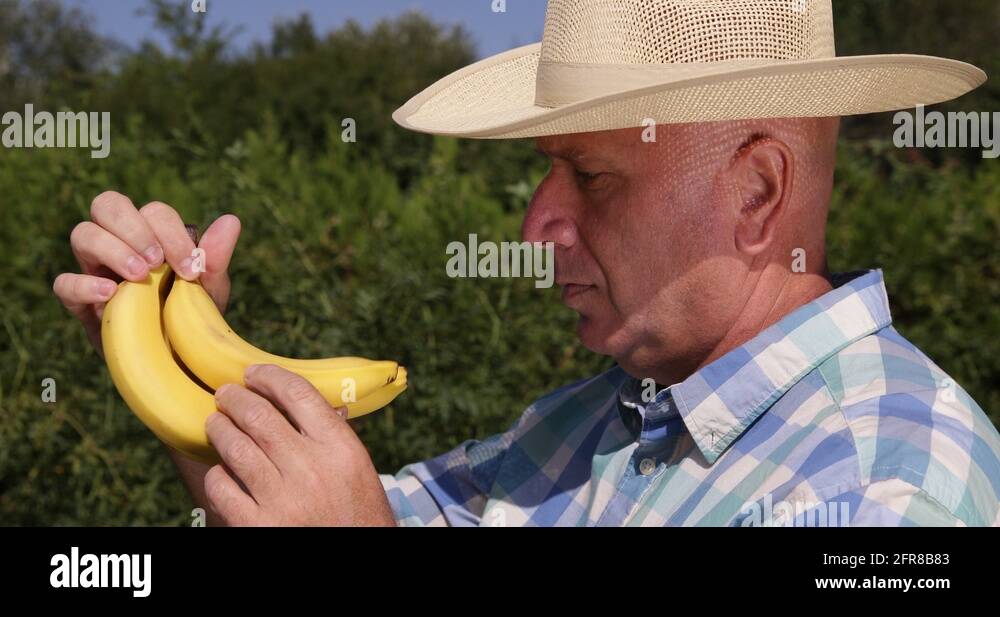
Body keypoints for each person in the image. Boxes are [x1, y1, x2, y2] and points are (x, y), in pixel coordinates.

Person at [54, 0, 1000, 526]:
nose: (537, 222)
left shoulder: (883, 490)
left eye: (590, 174)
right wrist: (175, 360)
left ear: (757, 192)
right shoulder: (589, 427)